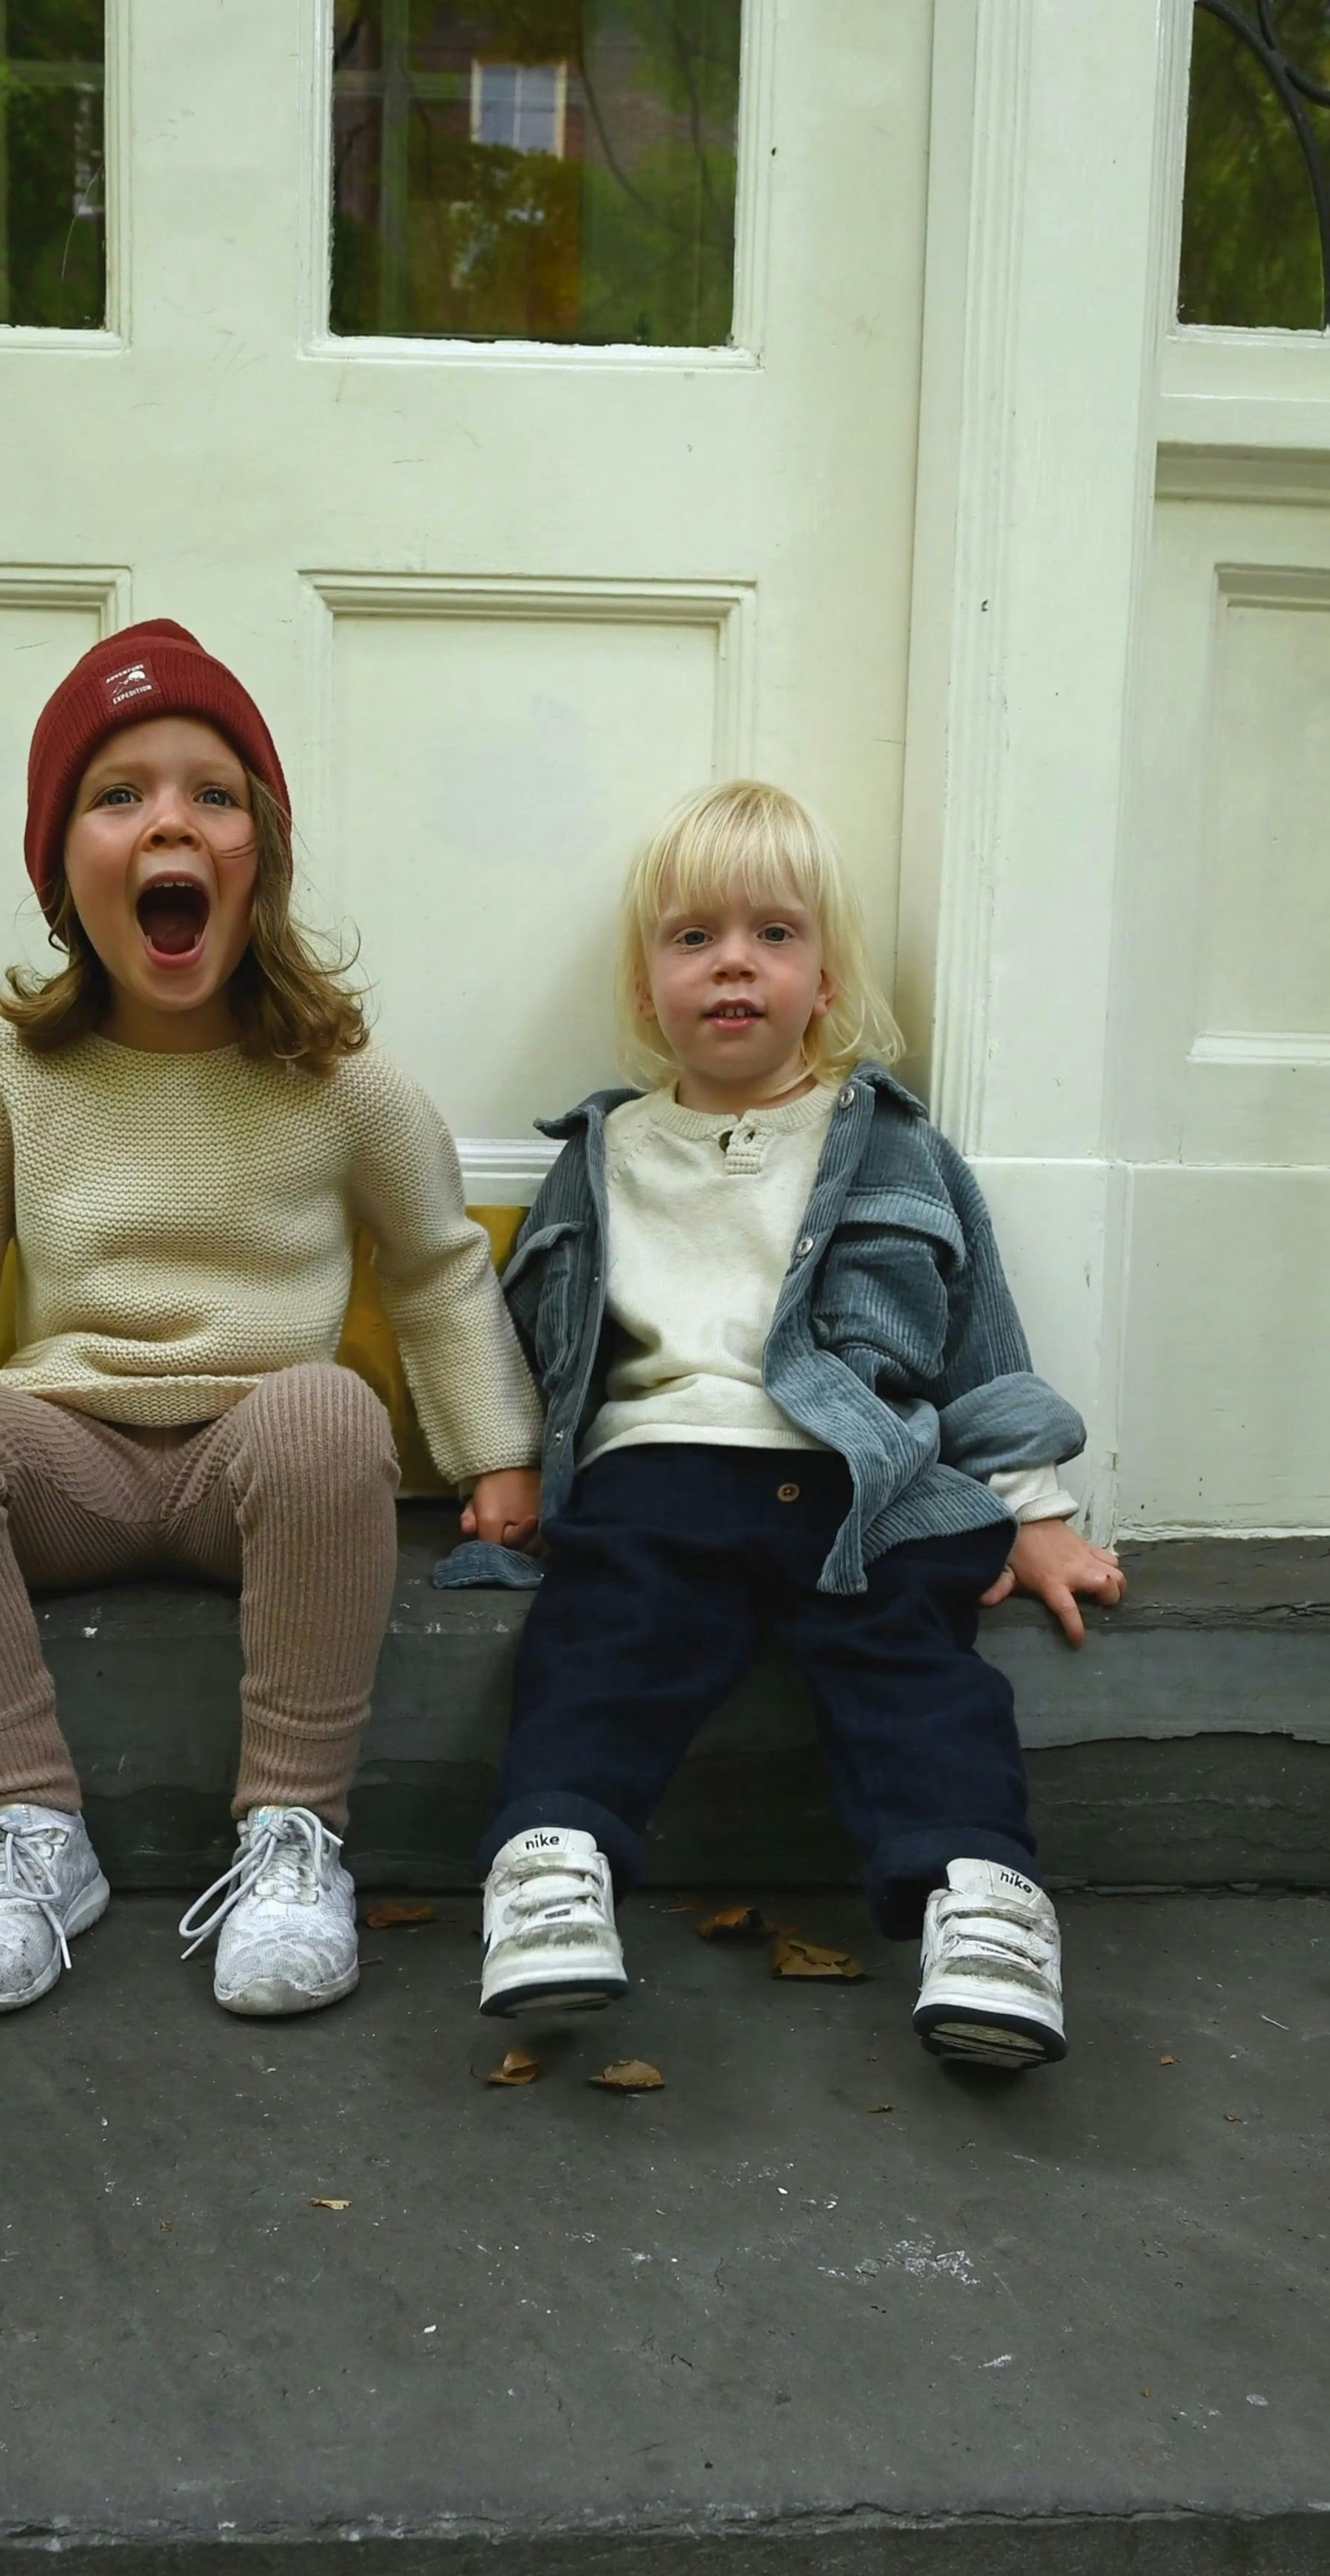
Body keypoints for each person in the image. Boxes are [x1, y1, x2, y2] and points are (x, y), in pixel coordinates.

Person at [0, 620, 542, 2021]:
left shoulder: (338, 1076)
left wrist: (496, 1453)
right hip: (66, 1471)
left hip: (260, 1477)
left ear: (261, 860)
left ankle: (292, 1838)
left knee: (328, 1410)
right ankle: (26, 1834)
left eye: (212, 794)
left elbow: (435, 1264)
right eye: (119, 795)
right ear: (63, 869)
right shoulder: (8, 1068)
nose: (170, 821)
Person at [475, 780, 1124, 2067]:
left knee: (916, 1670)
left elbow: (978, 1337)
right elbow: (529, 1329)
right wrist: (507, 1462)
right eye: (695, 936)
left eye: (773, 934)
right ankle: (552, 1861)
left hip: (861, 1483)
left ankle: (981, 1903)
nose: (735, 963)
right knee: (604, 1641)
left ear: (824, 978)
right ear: (648, 980)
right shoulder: (604, 1155)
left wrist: (1032, 1511)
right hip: (659, 1476)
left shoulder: (894, 1146)